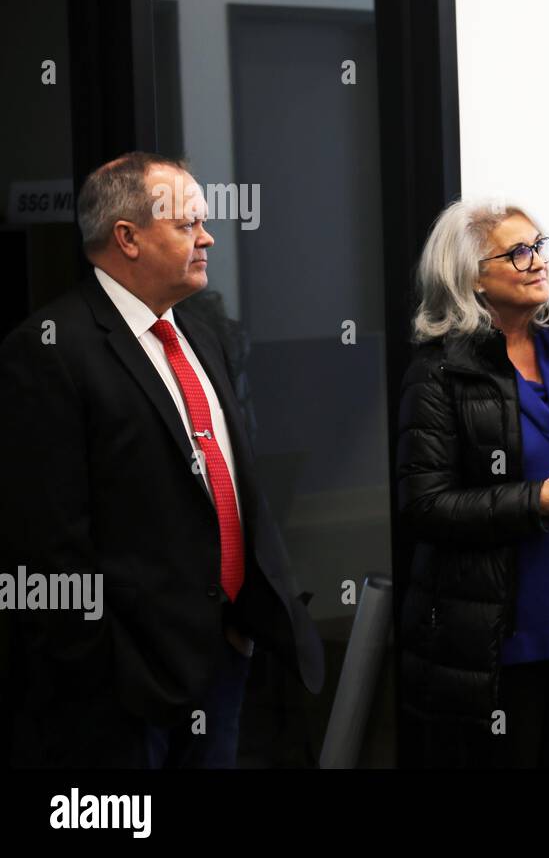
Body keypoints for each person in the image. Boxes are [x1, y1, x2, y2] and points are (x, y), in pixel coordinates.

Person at [0, 152, 323, 767]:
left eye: (205, 221)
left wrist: (243, 621)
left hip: (223, 657)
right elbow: (46, 544)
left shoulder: (202, 331)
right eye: (187, 225)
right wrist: (104, 668)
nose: (206, 237)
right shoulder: (50, 350)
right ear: (127, 238)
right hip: (123, 692)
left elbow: (232, 485)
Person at [396, 198, 549, 768]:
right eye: (517, 253)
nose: (538, 262)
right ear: (471, 278)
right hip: (496, 647)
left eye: (539, 246)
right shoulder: (439, 371)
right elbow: (424, 506)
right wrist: (538, 500)